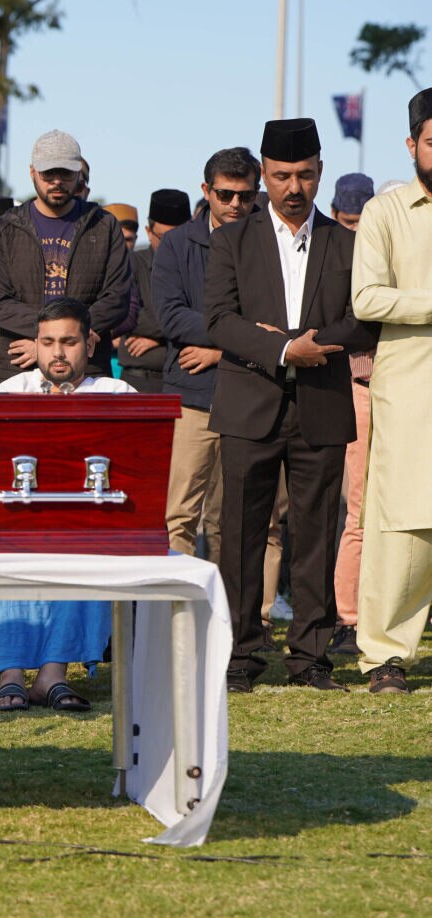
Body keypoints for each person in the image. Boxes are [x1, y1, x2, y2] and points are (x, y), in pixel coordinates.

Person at [205, 117, 378, 694]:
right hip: (249, 405)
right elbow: (219, 320)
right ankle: (240, 655)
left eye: (304, 175)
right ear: (264, 175)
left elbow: (363, 319)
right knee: (241, 535)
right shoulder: (230, 239)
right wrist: (281, 348)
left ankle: (310, 657)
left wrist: (312, 345)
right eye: (281, 176)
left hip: (323, 406)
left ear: (320, 171)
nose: (294, 187)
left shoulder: (348, 242)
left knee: (316, 535)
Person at [0, 297, 134, 711]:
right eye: (47, 342)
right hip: (17, 524)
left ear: (91, 342)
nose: (58, 353)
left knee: (91, 554)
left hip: (88, 523)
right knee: (2, 555)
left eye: (68, 341)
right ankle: (10, 674)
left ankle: (52, 676)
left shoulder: (117, 394)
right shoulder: (9, 391)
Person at [154, 148, 287, 625]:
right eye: (225, 194)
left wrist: (221, 347)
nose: (235, 203)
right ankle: (175, 615)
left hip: (254, 391)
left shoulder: (273, 240)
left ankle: (258, 618)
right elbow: (170, 316)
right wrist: (240, 336)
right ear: (206, 191)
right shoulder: (176, 245)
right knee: (181, 514)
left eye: (245, 195)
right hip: (193, 395)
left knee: (258, 518)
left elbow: (280, 323)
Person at [349, 87, 432, 694]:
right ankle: (385, 657)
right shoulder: (386, 211)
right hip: (411, 388)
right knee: (400, 524)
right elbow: (367, 298)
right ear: (412, 145)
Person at [0, 129, 131, 385]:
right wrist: (50, 341)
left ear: (78, 175)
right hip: (19, 367)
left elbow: (117, 298)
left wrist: (59, 342)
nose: (56, 181)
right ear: (32, 172)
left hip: (89, 370)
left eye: (65, 173)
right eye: (48, 173)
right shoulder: (5, 229)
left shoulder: (104, 225)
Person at [329, 172, 376, 657]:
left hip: (404, 389)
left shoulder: (383, 250)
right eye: (348, 221)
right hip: (356, 385)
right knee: (358, 510)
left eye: (363, 220)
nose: (356, 229)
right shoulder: (336, 255)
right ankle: (349, 619)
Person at [116, 189, 189, 394]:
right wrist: (180, 327)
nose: (172, 244)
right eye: (164, 237)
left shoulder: (200, 266)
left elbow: (207, 318)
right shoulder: (132, 263)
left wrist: (158, 337)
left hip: (186, 382)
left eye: (179, 235)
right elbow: (127, 313)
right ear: (149, 232)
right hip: (138, 381)